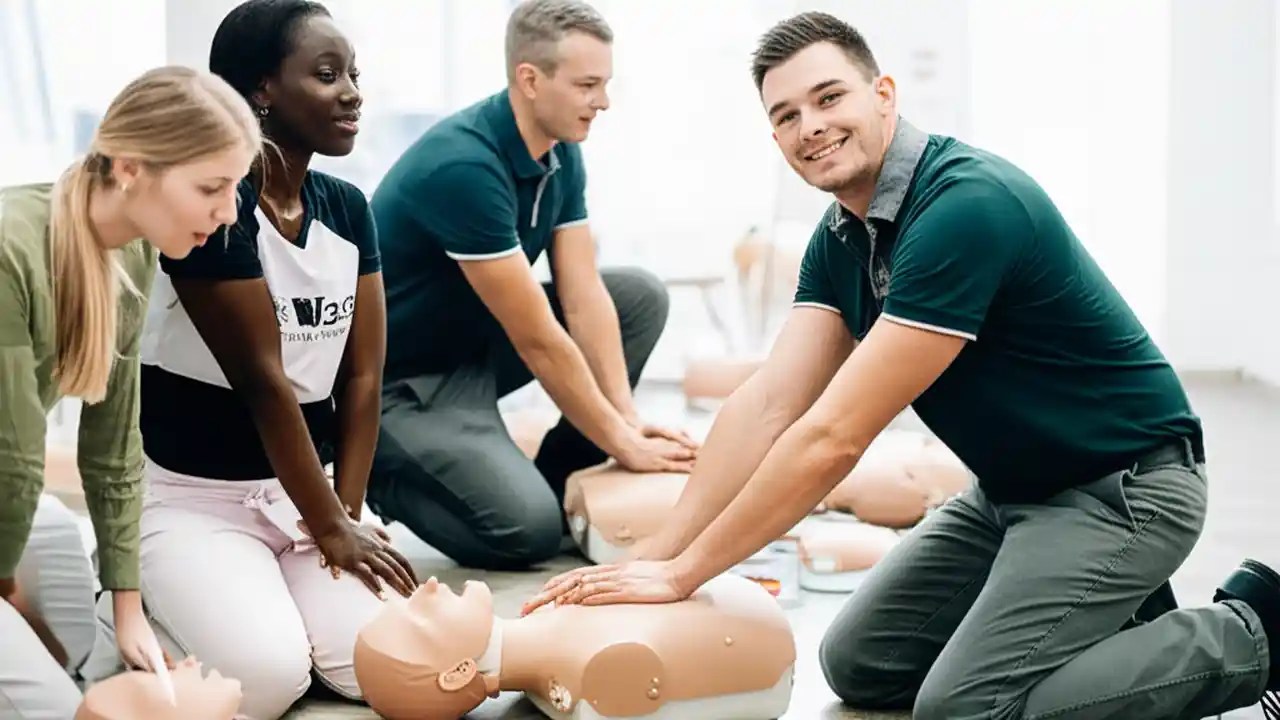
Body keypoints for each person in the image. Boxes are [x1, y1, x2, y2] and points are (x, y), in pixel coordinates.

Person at [524, 11, 1280, 720]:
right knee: (860, 662)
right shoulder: (840, 236)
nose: (809, 127)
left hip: (1125, 490)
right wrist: (662, 551)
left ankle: (1252, 633)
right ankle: (1113, 624)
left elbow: (832, 437)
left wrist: (686, 576)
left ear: (883, 94)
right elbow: (770, 405)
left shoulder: (963, 207)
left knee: (961, 709)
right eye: (785, 116)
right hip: (1011, 495)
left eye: (828, 98)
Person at [129, 1, 416, 718]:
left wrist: (345, 513)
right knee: (265, 681)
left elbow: (362, 376)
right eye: (326, 74)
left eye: (354, 73)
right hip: (191, 502)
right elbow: (266, 385)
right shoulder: (214, 210)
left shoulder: (348, 209)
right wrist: (327, 530)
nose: (352, 91)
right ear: (262, 90)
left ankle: (273, 605)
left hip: (301, 490)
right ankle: (145, 612)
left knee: (381, 664)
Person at [366, 0, 698, 571]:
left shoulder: (561, 151)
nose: (604, 102)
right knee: (528, 534)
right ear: (530, 79)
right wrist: (625, 447)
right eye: (588, 84)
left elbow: (583, 291)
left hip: (474, 344)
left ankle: (559, 475)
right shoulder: (464, 166)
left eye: (606, 83)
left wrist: (626, 417)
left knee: (638, 297)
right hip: (402, 384)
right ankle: (380, 471)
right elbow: (539, 340)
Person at [0, 65, 261, 719]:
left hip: (13, 500)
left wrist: (129, 610)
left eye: (234, 188)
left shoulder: (134, 254)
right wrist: (7, 589)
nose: (229, 213)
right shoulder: (10, 249)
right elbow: (16, 455)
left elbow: (115, 446)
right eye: (212, 187)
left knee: (79, 630)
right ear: (129, 168)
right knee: (62, 707)